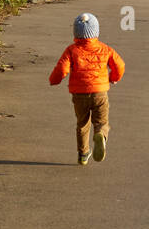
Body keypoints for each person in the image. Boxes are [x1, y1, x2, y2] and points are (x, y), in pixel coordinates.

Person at [48, 12, 126, 166]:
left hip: (79, 94)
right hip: (100, 92)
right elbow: (119, 65)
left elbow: (62, 69)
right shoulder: (105, 49)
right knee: (102, 121)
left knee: (82, 123)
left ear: (76, 33)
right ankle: (100, 135)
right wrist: (113, 78)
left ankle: (83, 154)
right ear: (96, 31)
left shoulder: (71, 50)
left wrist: (54, 80)